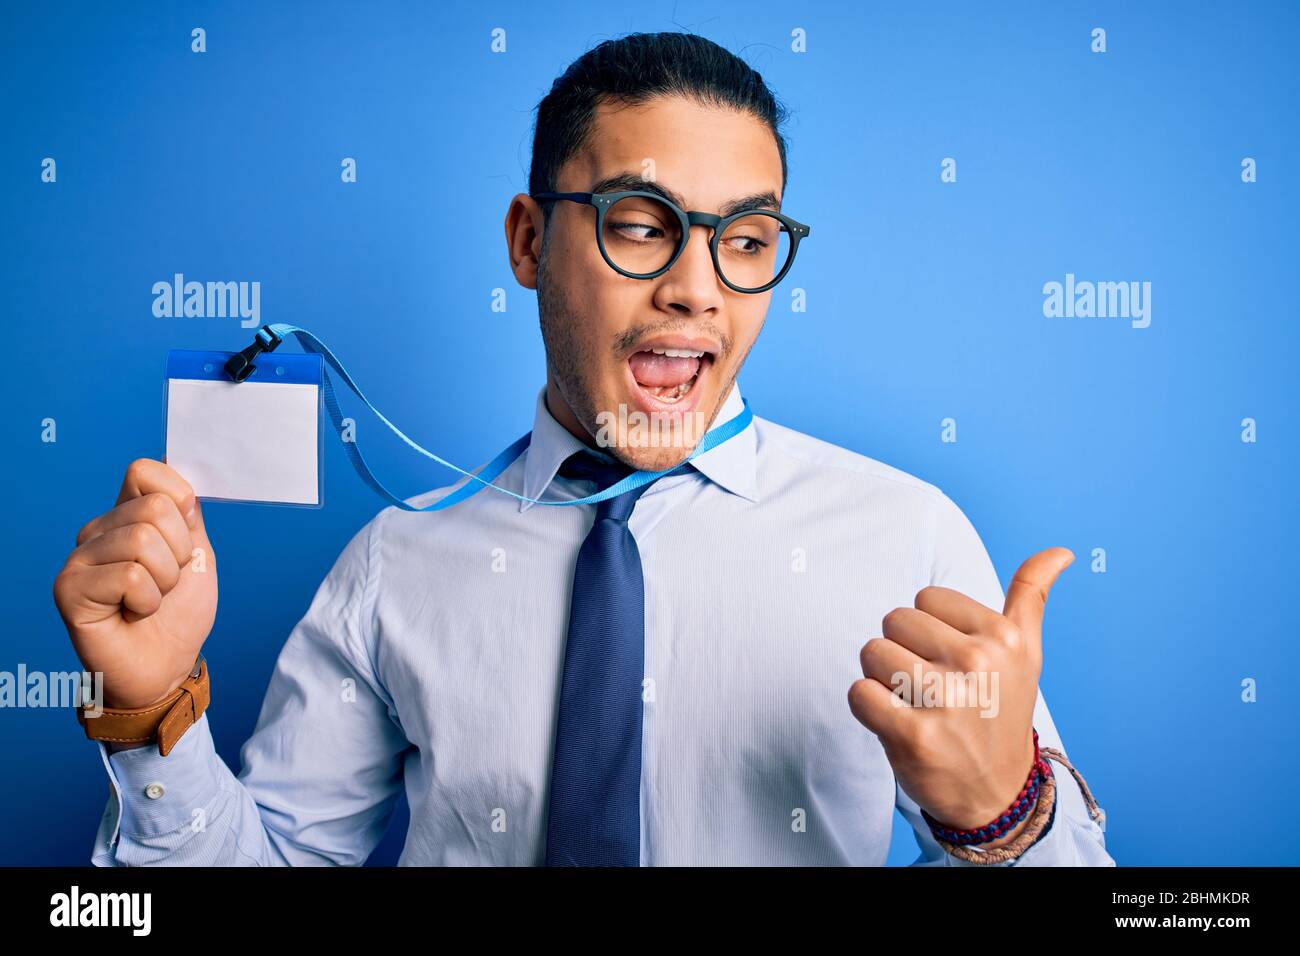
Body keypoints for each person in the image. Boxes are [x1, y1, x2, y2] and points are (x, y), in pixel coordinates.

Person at [53, 32, 1113, 866]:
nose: (698, 286)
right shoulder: (394, 563)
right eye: (641, 223)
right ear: (528, 240)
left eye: (746, 239)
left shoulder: (906, 538)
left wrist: (1002, 816)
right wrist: (152, 718)